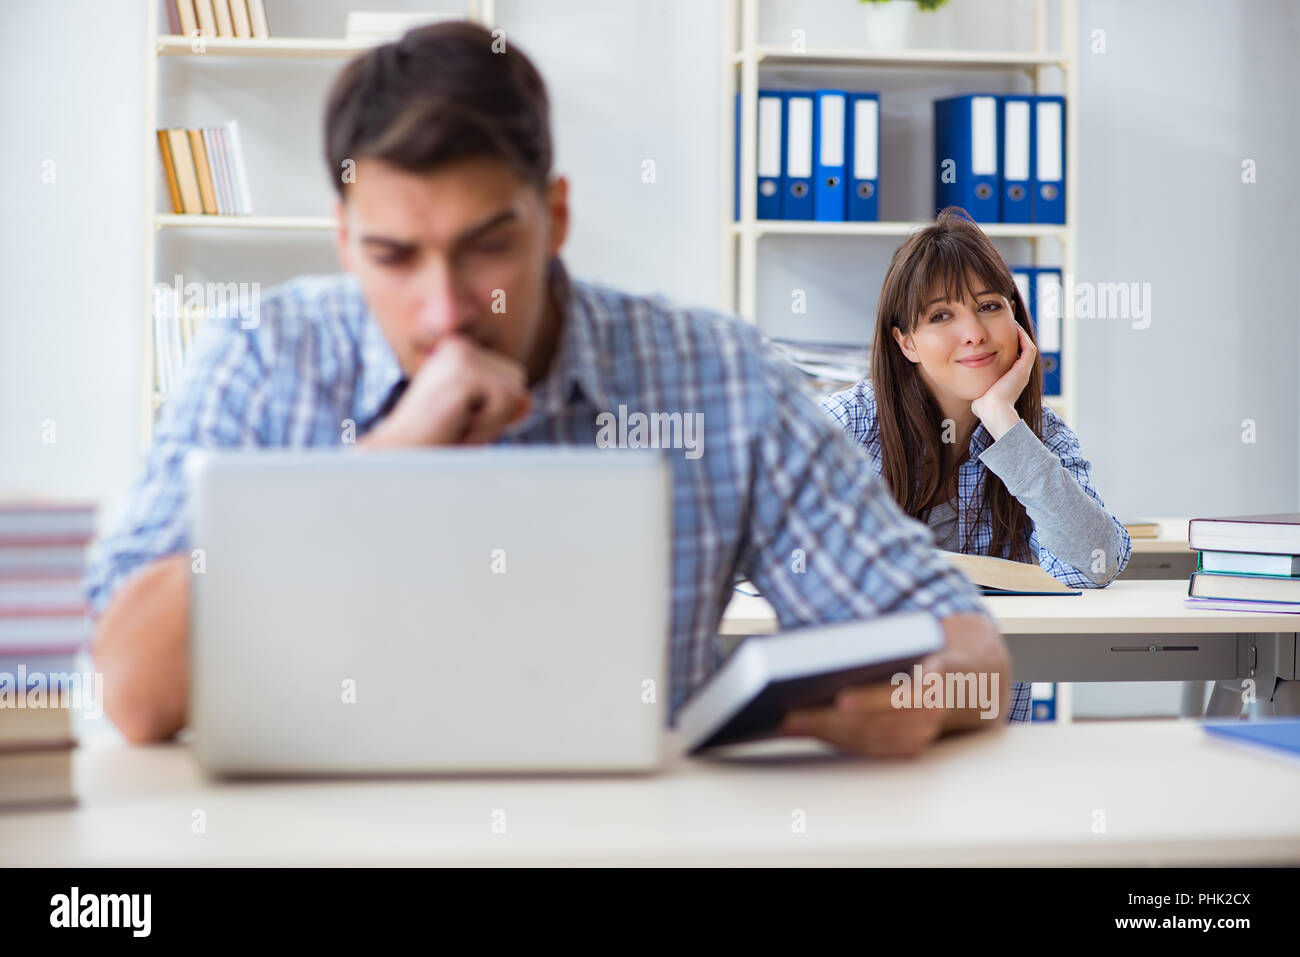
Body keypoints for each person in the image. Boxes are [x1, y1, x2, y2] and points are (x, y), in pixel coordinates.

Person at [86, 23, 1012, 754]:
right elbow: (133, 689)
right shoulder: (261, 355)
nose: (445, 304)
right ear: (342, 238)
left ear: (555, 215)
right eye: (393, 255)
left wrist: (924, 698)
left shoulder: (718, 379)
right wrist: (386, 463)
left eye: (487, 244)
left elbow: (978, 657)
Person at [821, 209, 1133, 721]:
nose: (974, 334)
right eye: (941, 316)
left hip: (992, 750)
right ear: (906, 342)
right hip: (863, 742)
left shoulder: (1039, 434)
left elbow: (1095, 564)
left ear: (1016, 320)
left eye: (989, 307)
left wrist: (1003, 426)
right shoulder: (846, 428)